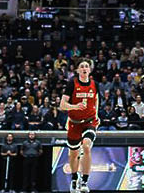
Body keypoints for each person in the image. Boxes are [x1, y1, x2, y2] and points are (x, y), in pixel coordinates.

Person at [58, 60, 99, 193]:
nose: (84, 68)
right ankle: (75, 178)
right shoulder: (72, 84)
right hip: (74, 123)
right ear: (77, 70)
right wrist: (75, 106)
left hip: (89, 121)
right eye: (81, 66)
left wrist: (97, 114)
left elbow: (96, 99)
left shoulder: (94, 84)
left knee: (86, 146)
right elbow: (62, 105)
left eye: (86, 66)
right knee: (73, 154)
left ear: (90, 70)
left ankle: (85, 181)